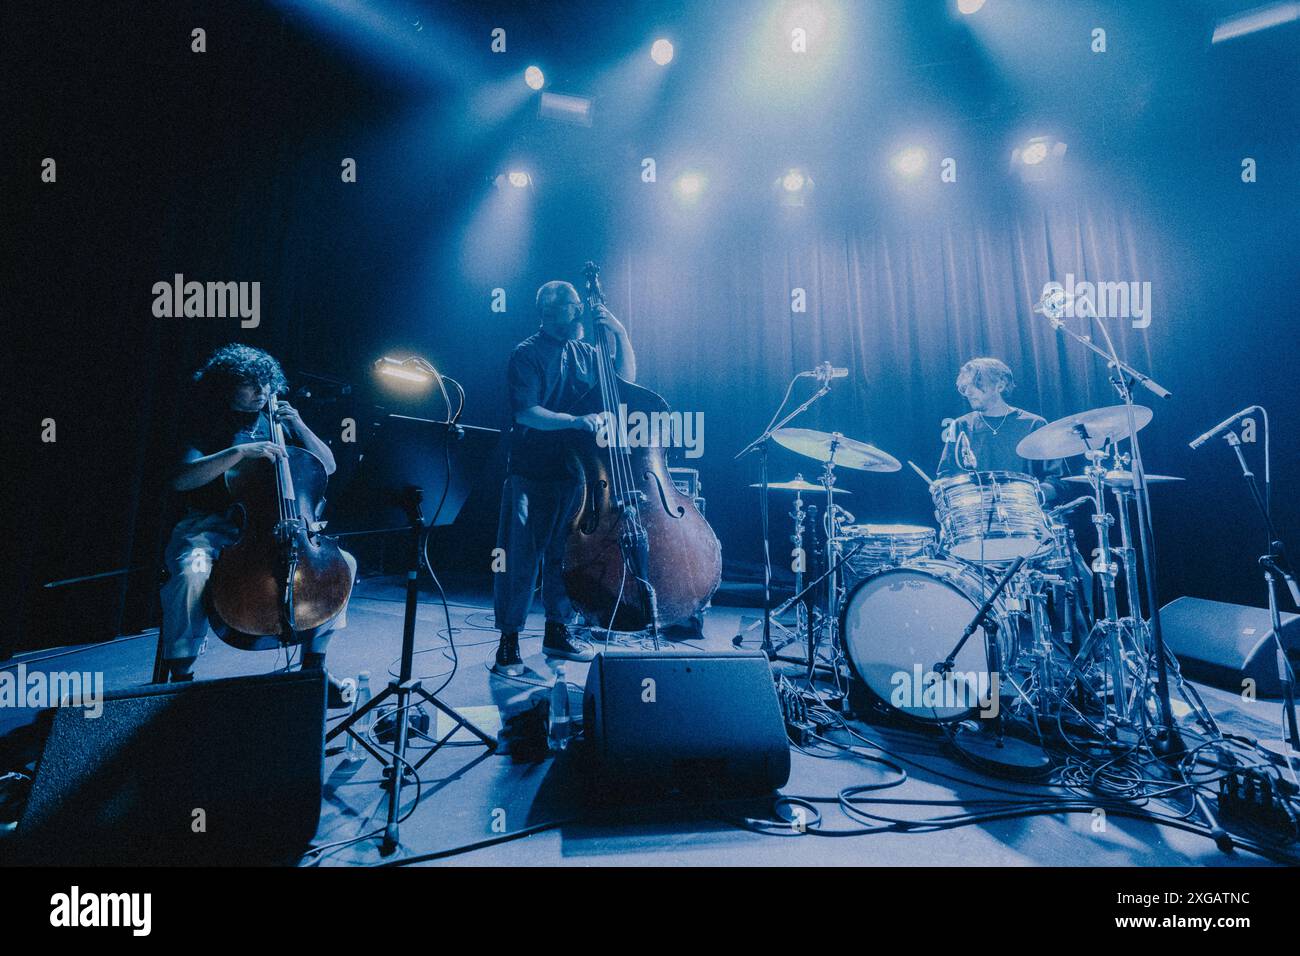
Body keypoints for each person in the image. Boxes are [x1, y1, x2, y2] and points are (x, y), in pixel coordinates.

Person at [160, 343, 355, 706]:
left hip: (280, 525)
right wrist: (237, 453)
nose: (261, 392)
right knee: (191, 572)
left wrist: (298, 423)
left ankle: (314, 671)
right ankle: (180, 678)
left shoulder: (277, 420)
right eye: (250, 385)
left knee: (343, 565)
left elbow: (327, 466)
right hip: (212, 523)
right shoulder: (204, 422)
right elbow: (181, 479)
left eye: (266, 384)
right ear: (225, 387)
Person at [491, 280, 637, 675]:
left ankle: (558, 633)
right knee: (520, 560)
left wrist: (620, 333)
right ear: (549, 312)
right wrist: (577, 421)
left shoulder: (585, 352)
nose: (581, 313)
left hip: (574, 475)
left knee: (565, 558)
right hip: (531, 474)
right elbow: (527, 413)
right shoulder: (527, 354)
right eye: (574, 307)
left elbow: (623, 382)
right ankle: (508, 643)